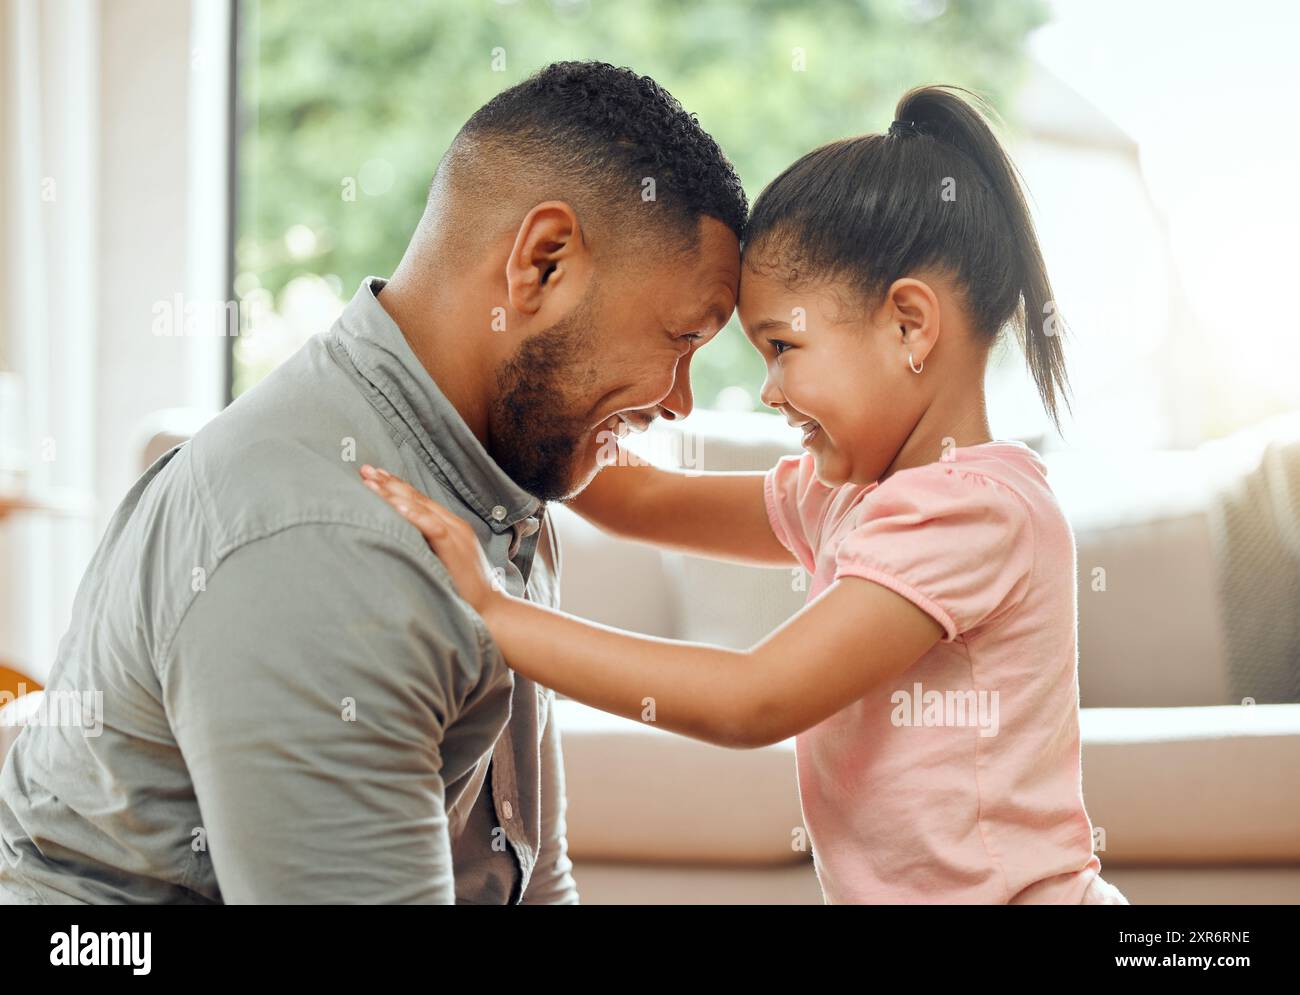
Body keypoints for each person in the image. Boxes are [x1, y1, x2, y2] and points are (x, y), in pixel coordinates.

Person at [361, 84, 1130, 905]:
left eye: (783, 345)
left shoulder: (976, 512)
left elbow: (752, 699)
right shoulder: (847, 492)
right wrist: (482, 393)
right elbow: (644, 500)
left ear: (909, 325)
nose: (769, 390)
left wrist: (500, 614)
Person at [0, 61, 746, 904]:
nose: (681, 401)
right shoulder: (322, 544)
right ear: (541, 263)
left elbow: (533, 877)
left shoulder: (492, 478)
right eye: (681, 338)